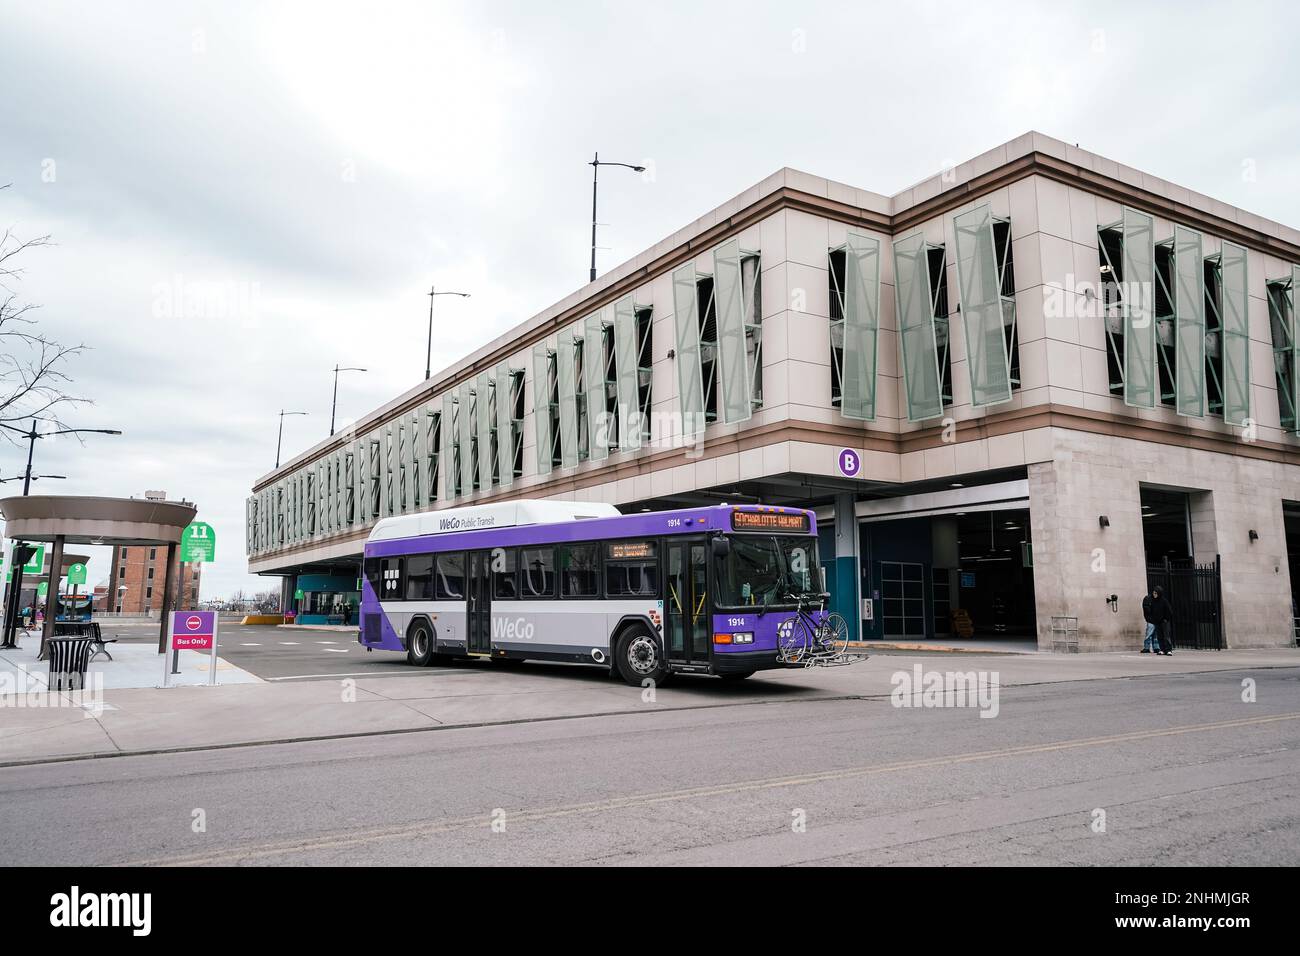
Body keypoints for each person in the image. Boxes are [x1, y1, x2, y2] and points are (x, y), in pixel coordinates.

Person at [1141, 585, 1174, 655]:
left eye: (1156, 593)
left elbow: (1169, 611)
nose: (1154, 595)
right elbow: (1151, 611)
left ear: (1159, 593)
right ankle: (1162, 649)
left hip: (1164, 621)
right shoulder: (1153, 601)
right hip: (1157, 621)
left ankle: (1168, 650)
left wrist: (1166, 619)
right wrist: (1153, 619)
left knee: (1166, 636)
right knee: (1159, 636)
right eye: (1154, 593)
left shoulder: (1164, 601)